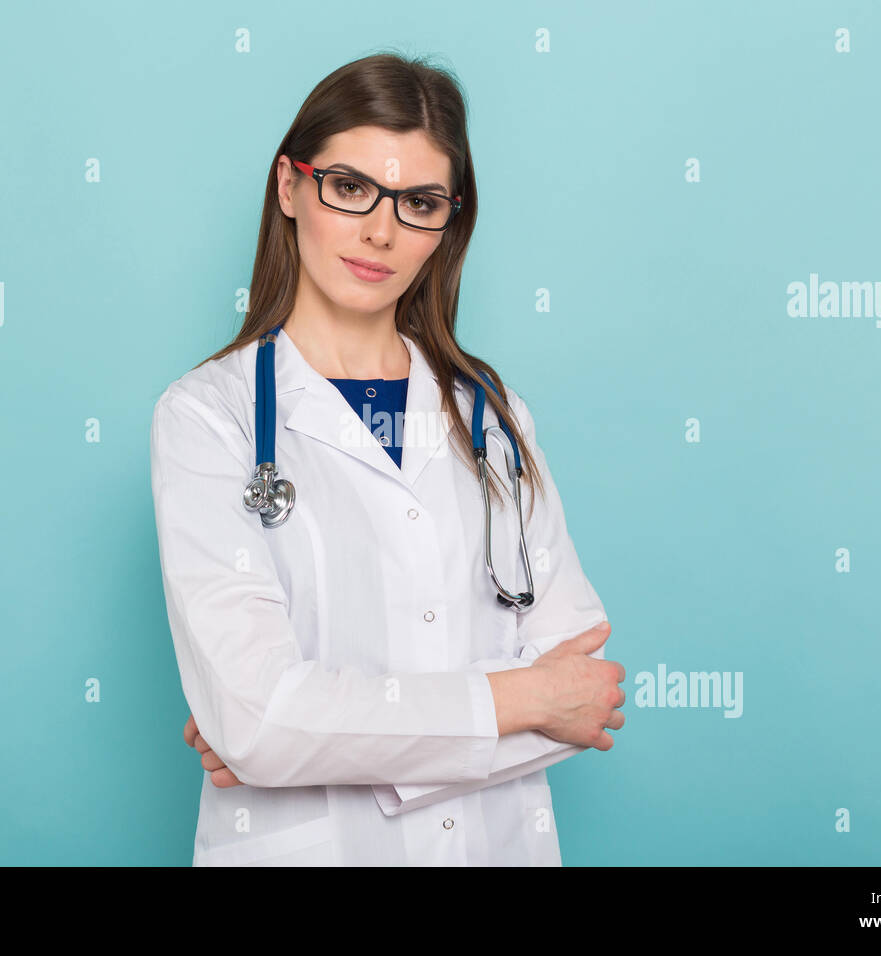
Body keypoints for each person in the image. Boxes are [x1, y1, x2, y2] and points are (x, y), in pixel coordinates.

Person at [149, 51, 625, 866]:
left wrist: (306, 745)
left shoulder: (492, 418)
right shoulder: (207, 419)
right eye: (350, 187)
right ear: (291, 187)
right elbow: (262, 723)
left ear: (449, 222)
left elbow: (584, 695)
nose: (381, 230)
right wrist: (521, 701)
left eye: (419, 202)